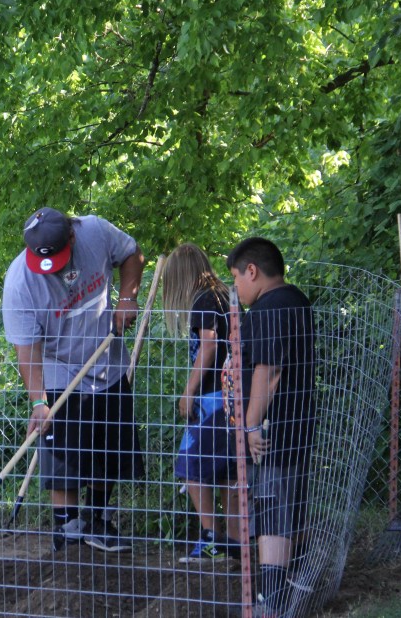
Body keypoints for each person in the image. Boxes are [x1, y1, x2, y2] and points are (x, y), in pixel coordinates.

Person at [2, 207, 145, 553]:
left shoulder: (95, 231)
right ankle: (66, 526)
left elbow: (132, 254)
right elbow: (27, 351)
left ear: (72, 235)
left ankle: (97, 521)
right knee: (63, 448)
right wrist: (39, 401)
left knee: (106, 447)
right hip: (58, 368)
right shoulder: (20, 283)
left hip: (106, 358)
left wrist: (127, 297)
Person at [225, 237, 315, 617]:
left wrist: (250, 425)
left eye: (235, 278)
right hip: (296, 423)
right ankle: (290, 586)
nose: (235, 288)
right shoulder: (296, 301)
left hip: (275, 427)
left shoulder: (270, 308)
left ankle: (272, 603)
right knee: (285, 504)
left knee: (273, 507)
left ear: (252, 271)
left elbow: (270, 369)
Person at [162, 243, 239, 563]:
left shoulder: (204, 299)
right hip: (232, 394)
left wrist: (188, 391)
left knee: (191, 468)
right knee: (228, 472)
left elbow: (207, 348)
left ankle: (210, 540)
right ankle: (235, 542)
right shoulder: (224, 295)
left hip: (212, 398)